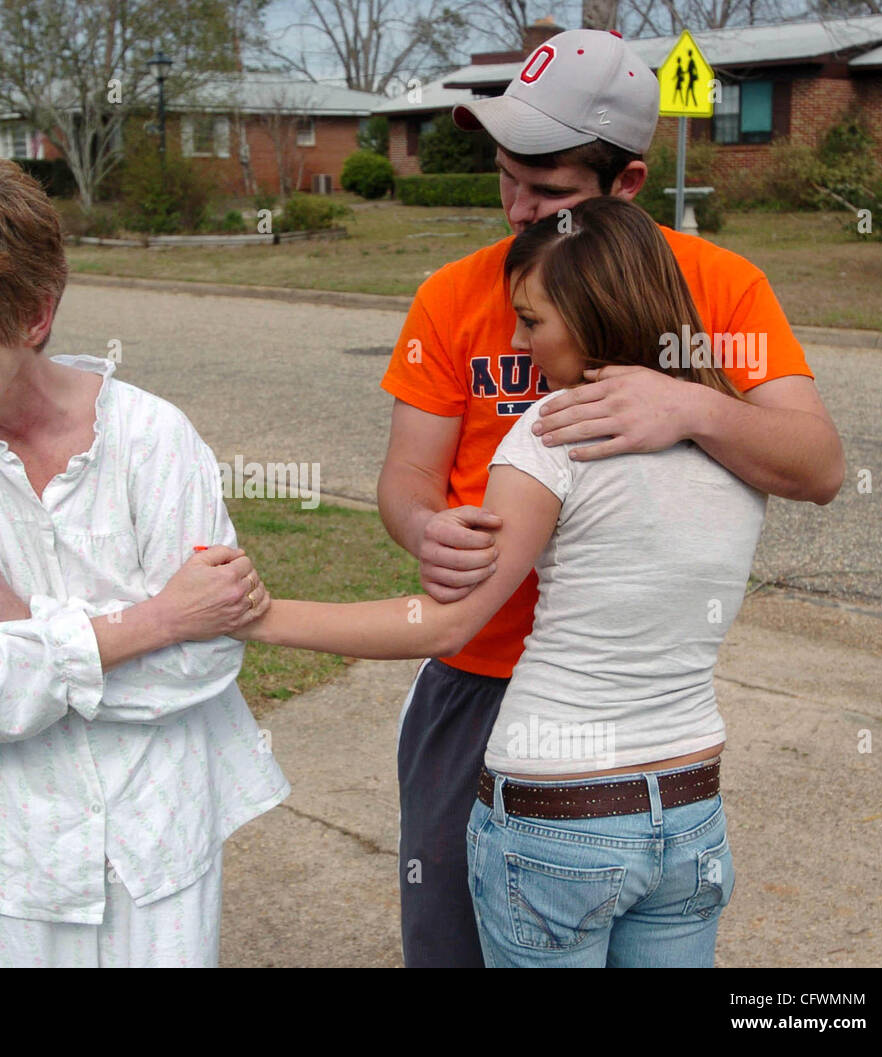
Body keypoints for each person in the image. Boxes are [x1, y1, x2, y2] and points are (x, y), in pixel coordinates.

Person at [377, 27, 844, 967]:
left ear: (628, 185)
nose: (515, 209)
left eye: (547, 192)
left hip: (629, 709)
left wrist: (689, 404)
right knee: (449, 939)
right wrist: (427, 530)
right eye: (505, 177)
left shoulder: (719, 286)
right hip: (477, 682)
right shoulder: (454, 293)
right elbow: (407, 477)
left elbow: (818, 465)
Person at [237, 194, 766, 967]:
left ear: (592, 314)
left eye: (533, 319)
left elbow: (449, 623)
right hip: (690, 809)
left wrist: (262, 617)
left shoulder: (552, 433)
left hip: (558, 813)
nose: (518, 341)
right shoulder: (733, 438)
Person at [0, 156, 288, 968]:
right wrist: (156, 618)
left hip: (154, 847)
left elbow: (211, 656)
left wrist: (26, 624)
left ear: (34, 315)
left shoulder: (154, 437)